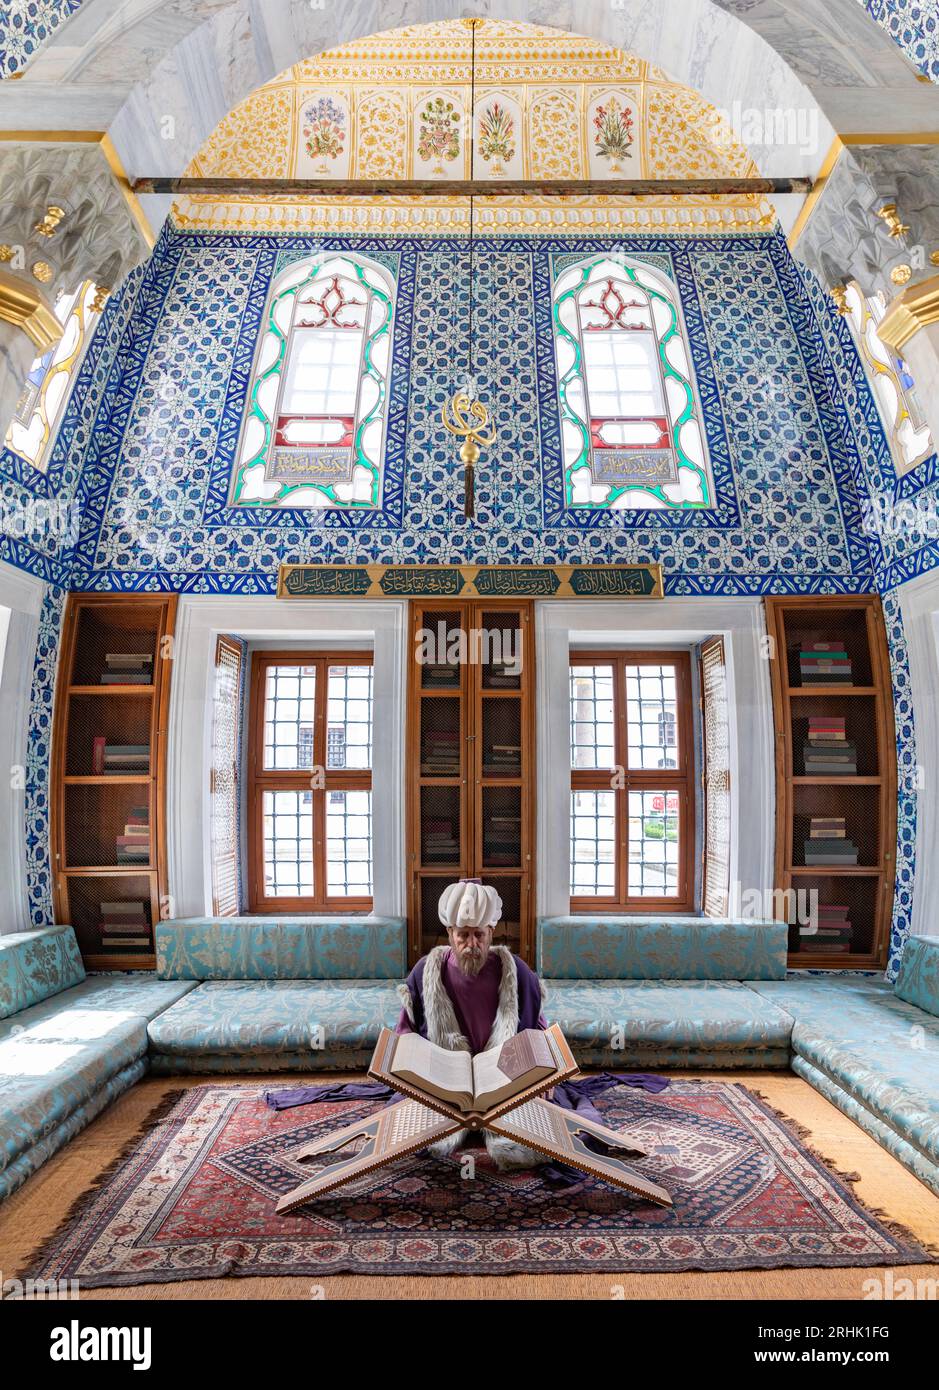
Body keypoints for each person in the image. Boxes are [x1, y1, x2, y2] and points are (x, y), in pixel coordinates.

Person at [394, 879, 548, 1170]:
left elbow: (538, 1027)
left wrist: (540, 1076)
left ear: (491, 933)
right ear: (450, 934)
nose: (471, 944)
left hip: (505, 1083)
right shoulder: (424, 972)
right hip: (444, 1085)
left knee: (535, 1134)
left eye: (479, 935)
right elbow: (405, 1032)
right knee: (410, 1136)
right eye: (463, 935)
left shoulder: (516, 971)